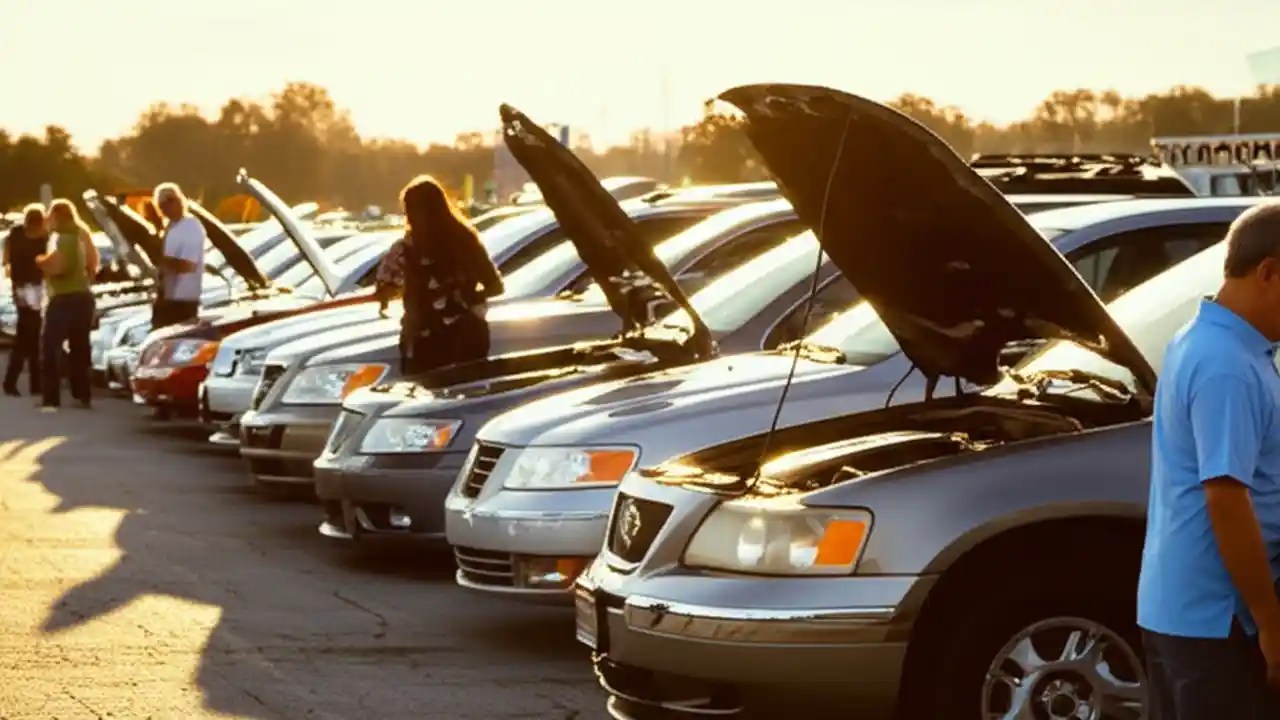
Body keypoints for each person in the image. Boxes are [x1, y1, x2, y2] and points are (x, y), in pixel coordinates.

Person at [1138, 200, 1280, 718]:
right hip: (1217, 620)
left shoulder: (1204, 341)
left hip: (1183, 610)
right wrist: (1271, 622)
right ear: (1268, 272)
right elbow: (1226, 498)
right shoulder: (1226, 366)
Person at [377, 175, 502, 375]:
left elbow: (495, 285)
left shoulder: (460, 243)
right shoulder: (408, 248)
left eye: (412, 210)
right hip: (442, 337)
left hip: (450, 339)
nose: (409, 217)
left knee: (430, 401)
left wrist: (462, 297)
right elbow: (495, 286)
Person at [36, 199, 98, 410]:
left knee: (50, 347)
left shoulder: (61, 238)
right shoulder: (83, 233)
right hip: (83, 296)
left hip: (63, 298)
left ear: (57, 217)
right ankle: (82, 394)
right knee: (80, 347)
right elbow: (93, 263)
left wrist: (41, 262)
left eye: (50, 217)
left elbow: (59, 267)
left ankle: (51, 398)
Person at [3, 204, 48, 396]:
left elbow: (6, 261)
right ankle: (25, 383)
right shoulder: (41, 238)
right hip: (29, 287)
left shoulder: (16, 234)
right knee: (29, 337)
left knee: (30, 337)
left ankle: (21, 383)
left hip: (26, 288)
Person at [151, 182, 206, 328]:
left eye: (170, 201)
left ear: (179, 200)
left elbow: (188, 265)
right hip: (168, 299)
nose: (166, 207)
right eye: (161, 204)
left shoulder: (191, 226)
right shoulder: (170, 228)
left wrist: (161, 261)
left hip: (183, 301)